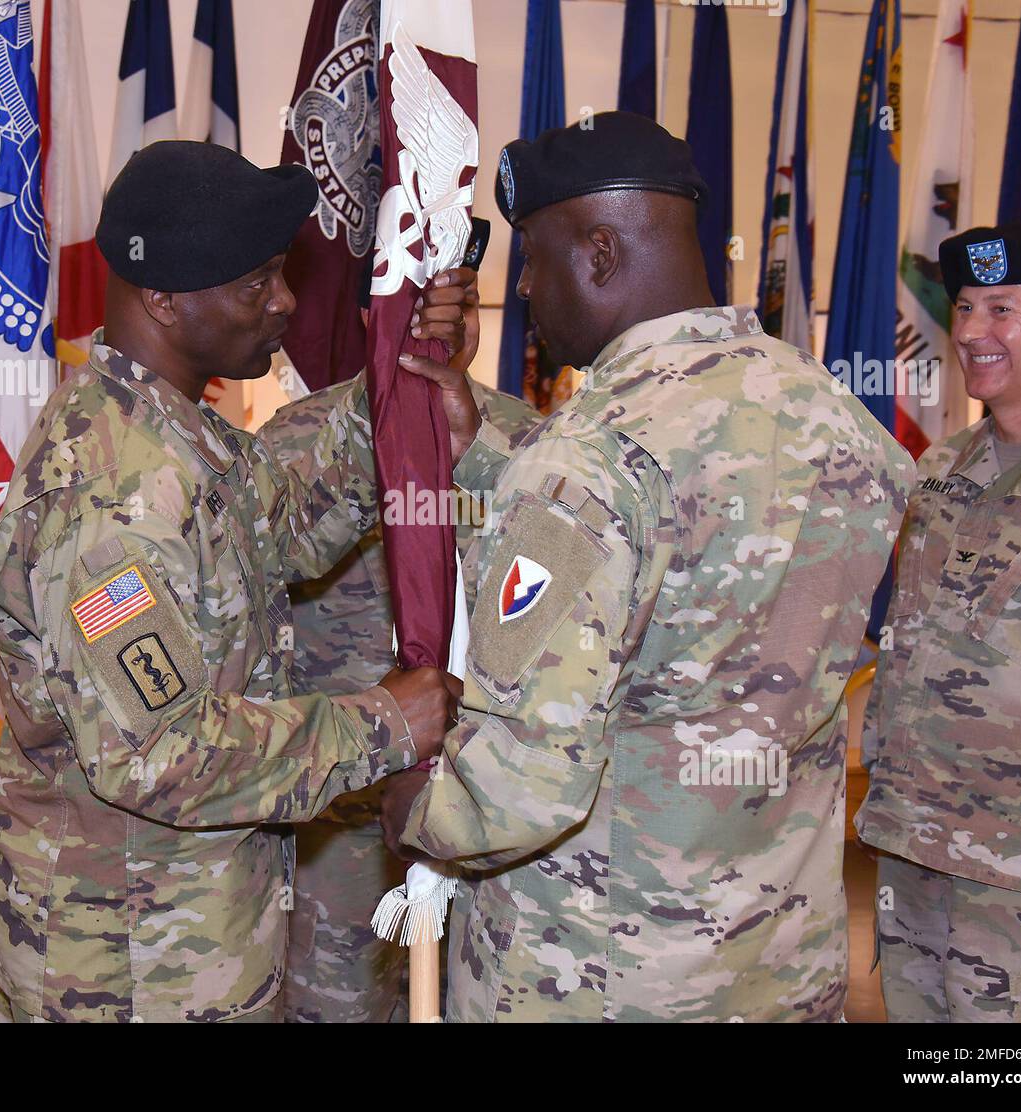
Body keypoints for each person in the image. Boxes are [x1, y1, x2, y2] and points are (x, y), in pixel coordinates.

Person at [380, 111, 916, 1021]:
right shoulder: (838, 420)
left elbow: (518, 789)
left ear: (597, 254)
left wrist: (408, 800)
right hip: (778, 964)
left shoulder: (586, 464)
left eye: (534, 263)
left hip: (599, 975)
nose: (531, 297)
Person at [0, 141, 458, 1023]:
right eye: (256, 283)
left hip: (179, 924)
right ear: (162, 299)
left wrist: (394, 371)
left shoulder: (177, 429)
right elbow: (157, 753)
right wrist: (381, 725)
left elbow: (295, 529)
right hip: (120, 959)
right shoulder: (114, 498)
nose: (286, 302)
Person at [258, 269, 540, 1022]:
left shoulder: (528, 441)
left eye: (460, 305)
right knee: (336, 1005)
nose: (443, 325)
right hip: (340, 813)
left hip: (489, 806)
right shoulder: (302, 439)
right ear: (370, 318)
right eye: (420, 310)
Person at [856, 215, 1021, 1023]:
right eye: (962, 310)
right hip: (915, 859)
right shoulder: (940, 470)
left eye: (1000, 309)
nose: (970, 332)